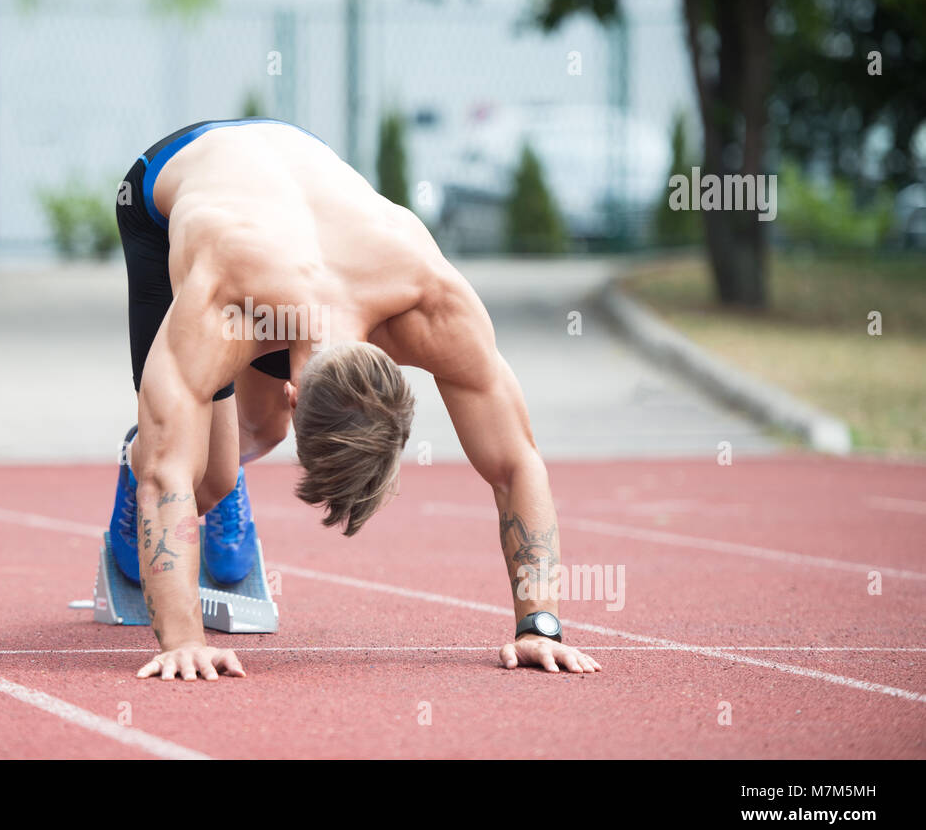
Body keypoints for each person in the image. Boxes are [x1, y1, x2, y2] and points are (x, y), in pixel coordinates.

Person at [108, 117, 600, 682]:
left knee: (259, 432)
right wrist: (183, 640)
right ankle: (135, 451)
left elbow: (517, 463)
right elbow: (167, 477)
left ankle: (211, 448)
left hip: (296, 170)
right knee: (206, 476)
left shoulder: (428, 298)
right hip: (168, 185)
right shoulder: (221, 305)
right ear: (296, 397)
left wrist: (539, 625)